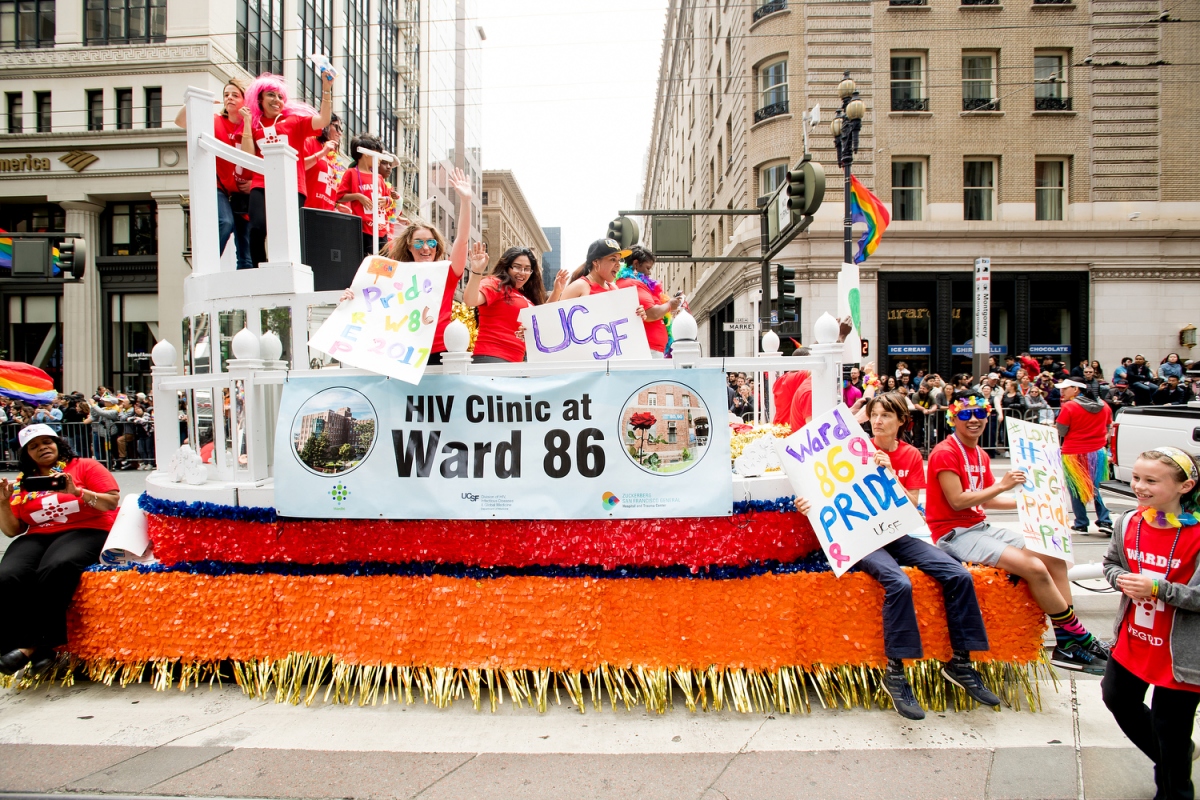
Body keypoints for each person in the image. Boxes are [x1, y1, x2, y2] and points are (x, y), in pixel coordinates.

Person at [796, 393, 999, 719]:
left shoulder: (907, 455)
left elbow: (913, 511)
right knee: (898, 582)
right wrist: (807, 506)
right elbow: (820, 492)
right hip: (859, 537)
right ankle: (896, 672)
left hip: (897, 533)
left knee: (958, 574)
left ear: (901, 421)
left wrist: (891, 476)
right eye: (874, 415)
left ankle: (960, 662)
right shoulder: (849, 448)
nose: (878, 421)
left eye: (886, 416)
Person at [925, 393, 1109, 674]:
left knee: (1053, 554)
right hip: (953, 534)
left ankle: (1066, 644)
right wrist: (1003, 485)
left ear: (988, 416)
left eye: (979, 413)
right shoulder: (945, 452)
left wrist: (1031, 502)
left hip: (978, 527)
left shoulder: (980, 454)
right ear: (953, 419)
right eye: (965, 414)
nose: (973, 419)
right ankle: (1080, 635)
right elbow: (958, 501)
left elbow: (986, 502)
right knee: (1033, 567)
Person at [1102, 448, 1200, 800]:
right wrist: (1121, 579)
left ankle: (1174, 787)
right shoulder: (1127, 521)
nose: (1139, 486)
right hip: (1133, 640)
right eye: (1137, 478)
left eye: (1151, 481)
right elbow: (1111, 564)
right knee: (1117, 700)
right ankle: (1176, 759)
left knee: (1169, 727)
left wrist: (1160, 588)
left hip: (1182, 654)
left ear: (1185, 486)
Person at [0, 424, 121, 674]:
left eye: (47, 442)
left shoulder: (85, 466)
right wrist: (2, 503)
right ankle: (43, 649)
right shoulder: (23, 482)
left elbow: (111, 502)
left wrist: (78, 492)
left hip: (88, 528)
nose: (42, 447)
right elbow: (13, 530)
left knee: (57, 566)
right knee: (8, 575)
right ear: (26, 454)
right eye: (33, 446)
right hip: (39, 534)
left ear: (58, 444)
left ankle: (28, 648)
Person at [240, 71, 335, 267]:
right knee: (257, 227)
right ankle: (260, 269)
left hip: (293, 185)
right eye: (270, 95)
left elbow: (323, 120)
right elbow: (248, 156)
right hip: (261, 182)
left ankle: (288, 268)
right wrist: (248, 124)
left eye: (280, 96)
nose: (276, 100)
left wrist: (326, 90)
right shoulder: (255, 126)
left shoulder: (295, 121)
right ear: (259, 98)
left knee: (288, 231)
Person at [175, 78, 254, 270]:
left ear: (246, 100)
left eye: (235, 95)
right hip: (220, 188)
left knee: (246, 249)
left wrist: (248, 122)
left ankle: (246, 291)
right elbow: (180, 122)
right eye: (226, 94)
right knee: (225, 223)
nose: (229, 98)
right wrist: (194, 102)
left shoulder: (252, 125)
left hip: (243, 194)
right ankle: (205, 267)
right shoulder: (215, 120)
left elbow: (250, 157)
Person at [464, 244, 565, 363]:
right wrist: (477, 271)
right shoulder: (496, 284)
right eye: (517, 267)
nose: (522, 273)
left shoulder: (524, 296)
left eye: (527, 269)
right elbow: (471, 300)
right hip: (492, 358)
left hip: (515, 362)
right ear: (506, 267)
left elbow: (540, 318)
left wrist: (557, 291)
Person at [1055, 378, 1114, 536]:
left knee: (1076, 488)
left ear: (1076, 389)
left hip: (1074, 453)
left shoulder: (1069, 407)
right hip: (1097, 452)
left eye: (1065, 389)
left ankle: (1081, 523)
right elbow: (1108, 426)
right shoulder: (1104, 406)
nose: (1062, 392)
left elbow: (1061, 430)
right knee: (1098, 488)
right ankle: (1105, 521)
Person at [615, 246, 683, 358]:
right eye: (647, 268)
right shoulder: (632, 284)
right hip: (647, 350)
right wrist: (670, 305)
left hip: (650, 349)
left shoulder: (634, 283)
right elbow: (651, 313)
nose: (649, 273)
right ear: (636, 264)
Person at [336, 134, 398, 255]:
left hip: (381, 230)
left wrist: (386, 200)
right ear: (366, 153)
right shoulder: (351, 173)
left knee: (382, 264)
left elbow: (389, 199)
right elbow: (339, 197)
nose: (380, 158)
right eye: (378, 154)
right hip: (363, 229)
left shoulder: (379, 178)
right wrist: (358, 196)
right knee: (364, 263)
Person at [562, 239, 637, 300]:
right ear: (596, 262)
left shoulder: (614, 288)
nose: (618, 265)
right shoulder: (579, 286)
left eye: (619, 260)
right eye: (613, 259)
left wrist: (637, 313)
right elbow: (557, 316)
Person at [302, 114, 344, 212]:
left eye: (341, 130)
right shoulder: (309, 142)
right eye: (336, 127)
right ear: (324, 125)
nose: (339, 133)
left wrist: (337, 206)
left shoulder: (333, 157)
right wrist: (322, 153)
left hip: (327, 214)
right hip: (307, 210)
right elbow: (296, 168)